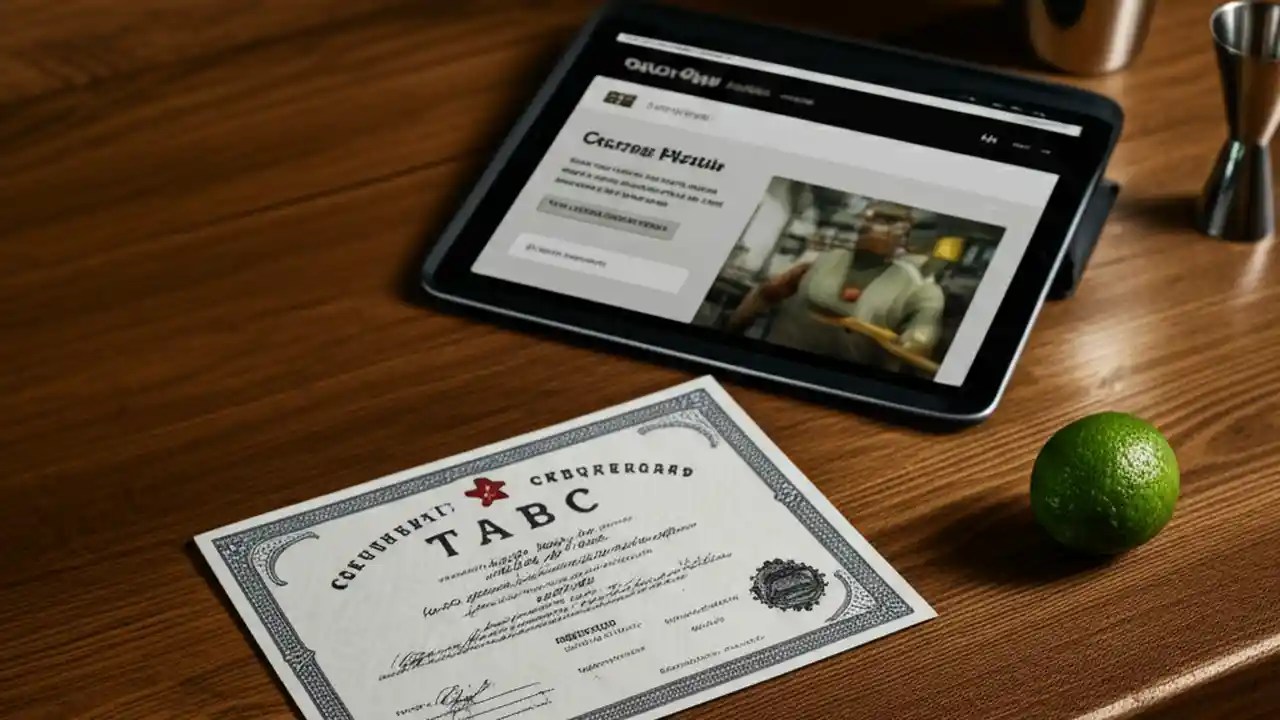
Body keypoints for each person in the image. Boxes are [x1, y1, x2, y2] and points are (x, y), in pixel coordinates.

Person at [726, 201, 948, 372]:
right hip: (778, 361)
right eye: (872, 219)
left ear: (906, 237)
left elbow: (924, 327)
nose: (873, 226)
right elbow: (767, 293)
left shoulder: (919, 288)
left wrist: (917, 340)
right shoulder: (823, 260)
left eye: (888, 222)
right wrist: (731, 332)